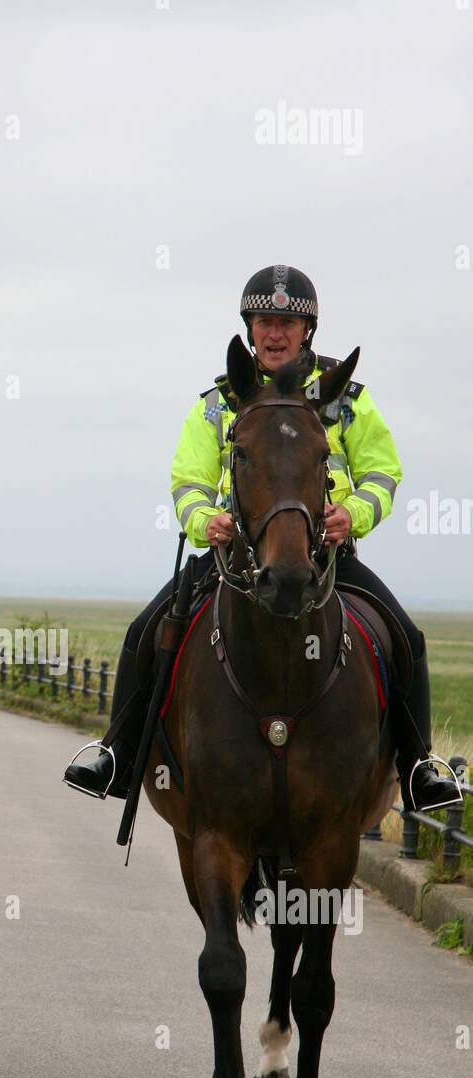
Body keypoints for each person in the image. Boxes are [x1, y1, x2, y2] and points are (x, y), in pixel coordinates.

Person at [63, 264, 460, 813]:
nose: (275, 333)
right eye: (264, 321)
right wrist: (208, 522)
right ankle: (117, 755)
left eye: (287, 323)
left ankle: (417, 767)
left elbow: (383, 472)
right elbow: (188, 481)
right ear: (250, 328)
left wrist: (353, 514)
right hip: (236, 555)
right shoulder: (217, 401)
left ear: (307, 332)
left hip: (323, 555)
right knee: (144, 632)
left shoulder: (346, 396)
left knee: (407, 639)